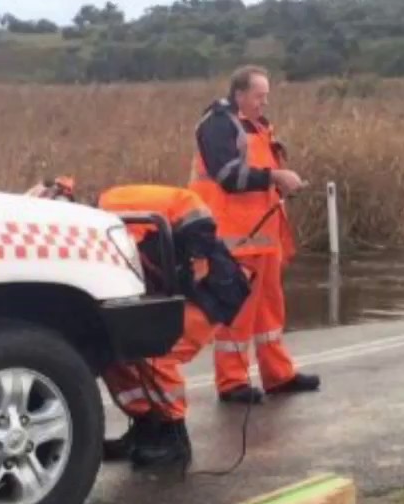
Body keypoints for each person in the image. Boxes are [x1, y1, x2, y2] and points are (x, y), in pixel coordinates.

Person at [25, 178, 252, 469]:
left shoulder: (116, 205)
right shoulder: (88, 240)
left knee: (156, 351)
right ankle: (146, 429)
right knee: (116, 353)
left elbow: (189, 204)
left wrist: (197, 255)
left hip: (206, 292)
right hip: (170, 296)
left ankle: (174, 436)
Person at [188, 65, 320, 404]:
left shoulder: (258, 126)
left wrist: (279, 181)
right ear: (240, 94)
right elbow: (228, 175)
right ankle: (232, 383)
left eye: (266, 97)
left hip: (263, 235)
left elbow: (256, 174)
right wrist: (275, 177)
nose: (264, 103)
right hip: (234, 237)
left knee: (269, 312)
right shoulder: (218, 124)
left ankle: (278, 375)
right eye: (259, 96)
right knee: (238, 313)